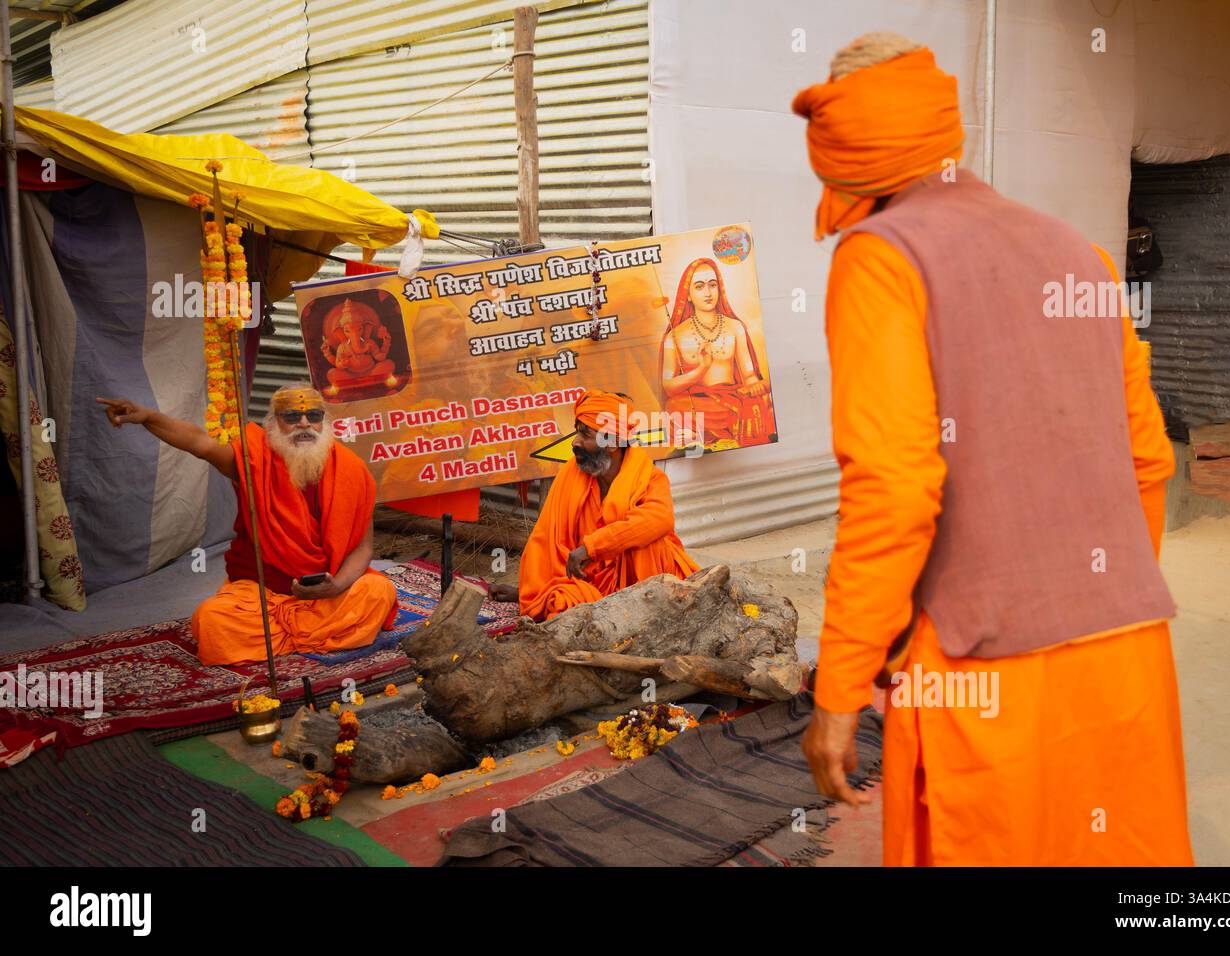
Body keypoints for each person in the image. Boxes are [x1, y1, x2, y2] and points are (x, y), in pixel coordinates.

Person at [793, 33, 1193, 865]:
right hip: (1125, 654)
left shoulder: (881, 261)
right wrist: (1089, 592)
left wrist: (839, 687)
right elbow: (1148, 459)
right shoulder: (1074, 251)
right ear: (946, 132)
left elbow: (895, 488)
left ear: (839, 147)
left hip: (982, 667)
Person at [96, 384, 397, 665]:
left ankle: (286, 638)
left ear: (323, 421)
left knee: (378, 592)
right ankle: (317, 636)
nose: (304, 423)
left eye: (313, 416)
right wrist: (149, 417)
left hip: (329, 594)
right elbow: (201, 443)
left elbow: (363, 547)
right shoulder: (256, 459)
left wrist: (337, 587)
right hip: (263, 595)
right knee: (212, 621)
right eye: (292, 416)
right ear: (274, 423)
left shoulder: (352, 470)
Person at [494, 389, 698, 620]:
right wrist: (531, 591)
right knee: (561, 602)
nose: (575, 442)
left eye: (585, 435)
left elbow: (660, 519)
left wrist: (593, 547)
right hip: (589, 583)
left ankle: (648, 617)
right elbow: (547, 541)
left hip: (641, 588)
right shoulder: (571, 473)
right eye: (576, 432)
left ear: (611, 444)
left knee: (648, 540)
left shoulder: (649, 477)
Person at [660, 258, 770, 445]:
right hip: (698, 405)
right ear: (688, 294)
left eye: (713, 285)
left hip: (734, 399)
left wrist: (756, 386)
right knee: (674, 406)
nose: (708, 293)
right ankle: (709, 435)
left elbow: (749, 375)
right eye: (699, 287)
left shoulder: (735, 328)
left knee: (764, 401)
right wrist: (701, 369)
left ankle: (714, 433)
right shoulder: (675, 336)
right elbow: (668, 386)